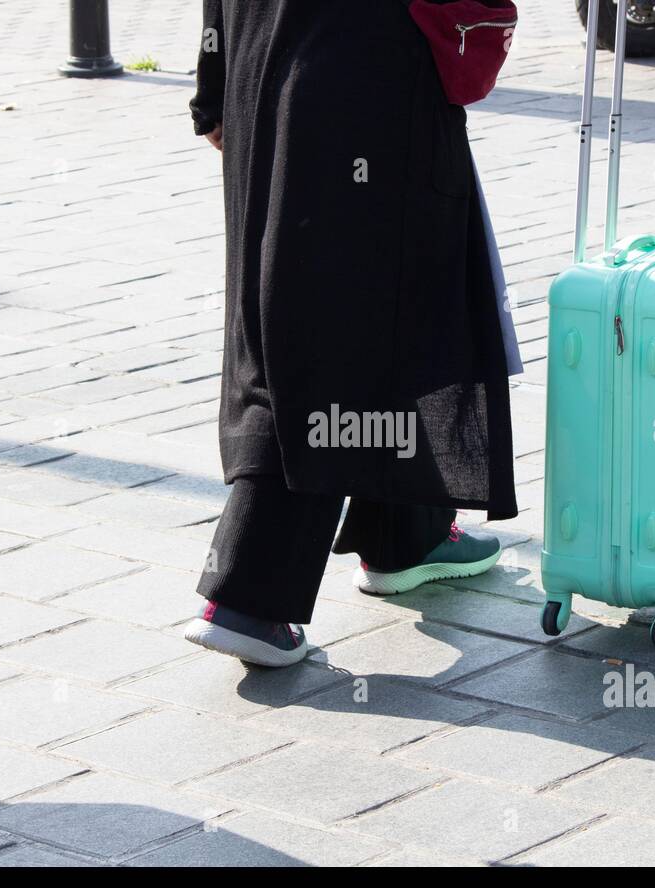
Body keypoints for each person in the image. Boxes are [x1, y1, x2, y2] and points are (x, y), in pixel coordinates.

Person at [183, 0, 518, 668]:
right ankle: (249, 592)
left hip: (264, 50)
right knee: (341, 308)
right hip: (366, 66)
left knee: (354, 290)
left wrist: (216, 81)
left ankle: (405, 530)